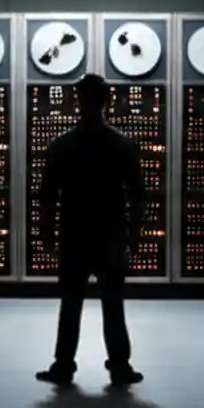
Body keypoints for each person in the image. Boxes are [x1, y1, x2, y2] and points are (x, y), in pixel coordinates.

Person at [35, 73, 146, 387]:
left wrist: (46, 234)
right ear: (107, 101)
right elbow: (137, 194)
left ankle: (63, 365)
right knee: (113, 303)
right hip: (110, 235)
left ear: (76, 100)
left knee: (70, 303)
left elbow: (47, 196)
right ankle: (120, 366)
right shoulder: (122, 145)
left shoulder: (62, 145)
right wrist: (134, 233)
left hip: (74, 233)